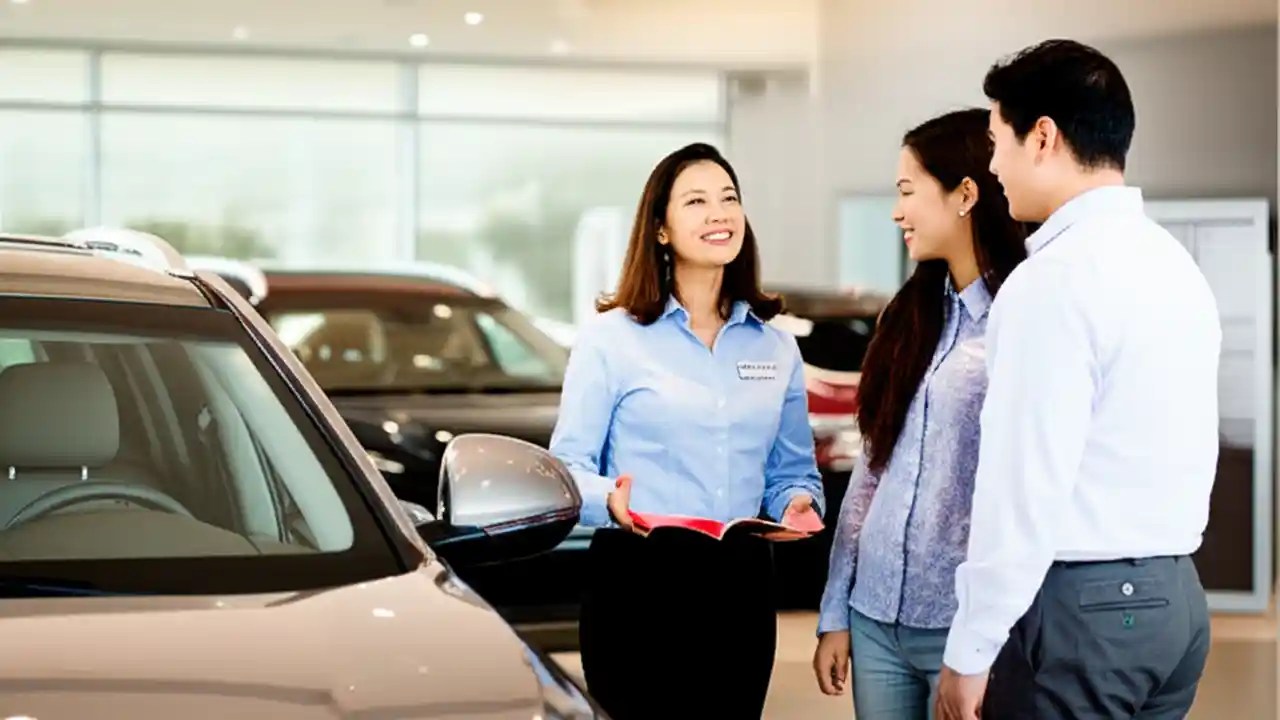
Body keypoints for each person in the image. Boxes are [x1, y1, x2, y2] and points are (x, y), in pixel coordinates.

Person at [934, 39, 1222, 720]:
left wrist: (969, 651)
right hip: (1176, 603)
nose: (994, 164)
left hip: (1084, 614)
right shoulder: (1175, 264)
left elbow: (1022, 486)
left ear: (1042, 137)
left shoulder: (1050, 284)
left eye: (997, 139)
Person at [549, 141, 826, 720]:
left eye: (729, 199)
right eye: (696, 201)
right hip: (640, 578)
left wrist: (798, 501)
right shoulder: (610, 339)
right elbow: (568, 469)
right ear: (660, 230)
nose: (719, 213)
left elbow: (791, 469)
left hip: (741, 585)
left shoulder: (775, 346)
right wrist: (611, 502)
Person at [811, 108, 1029, 719]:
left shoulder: (1022, 321)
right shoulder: (908, 318)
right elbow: (871, 472)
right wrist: (837, 608)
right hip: (876, 616)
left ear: (965, 194)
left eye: (908, 192)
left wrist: (985, 636)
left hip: (963, 629)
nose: (895, 211)